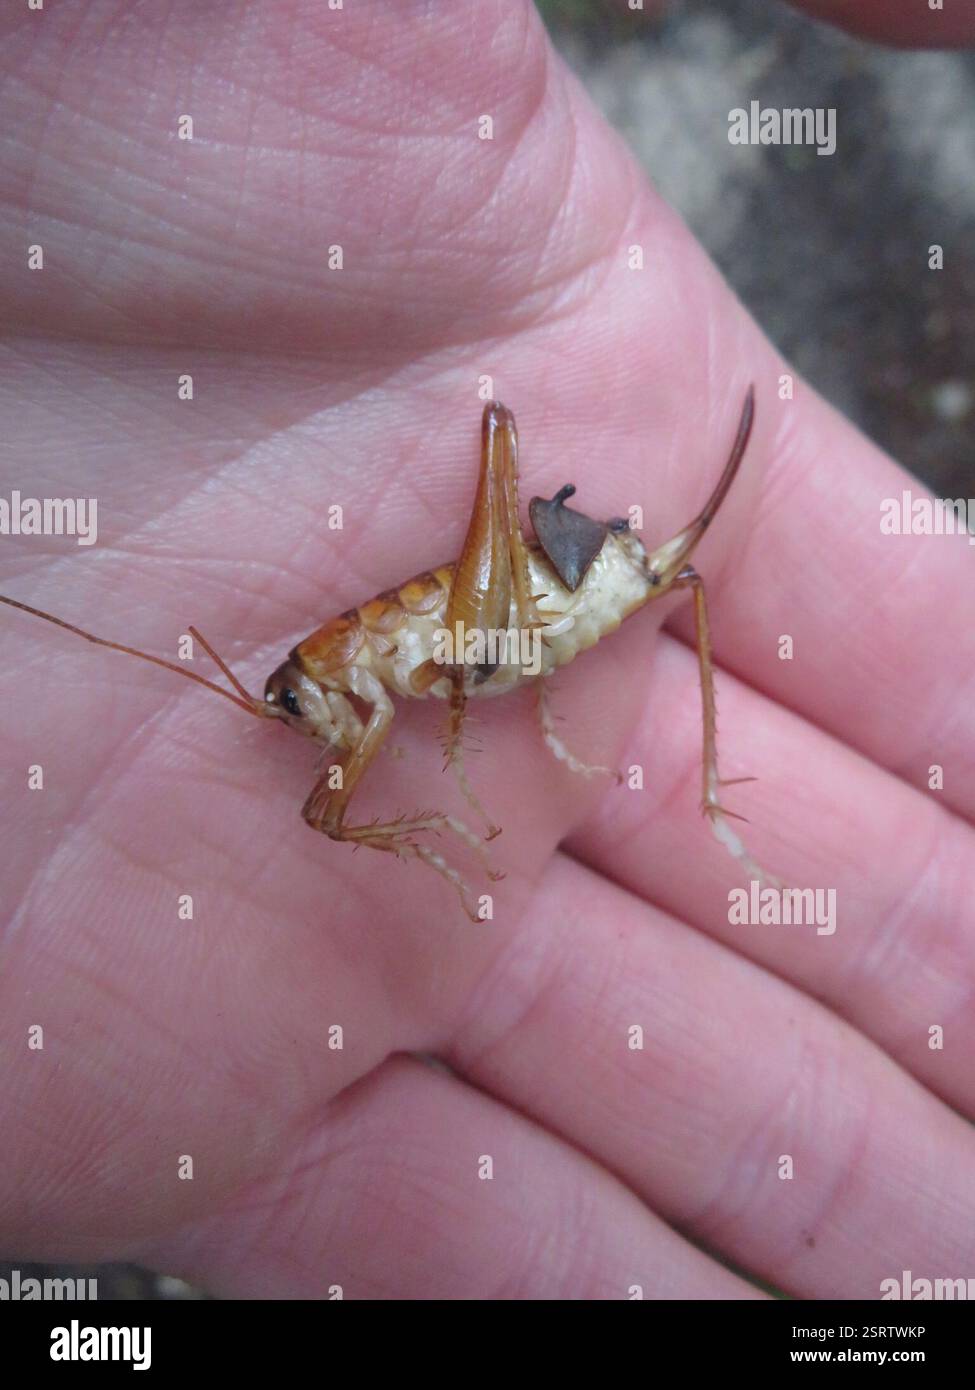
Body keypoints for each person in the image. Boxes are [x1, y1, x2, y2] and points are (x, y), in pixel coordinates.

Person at [1, 0, 972, 1299]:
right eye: (295, 700)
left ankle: (713, 781)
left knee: (550, 588)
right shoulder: (362, 698)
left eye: (297, 694)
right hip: (515, 622)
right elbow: (351, 770)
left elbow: (407, 694)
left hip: (522, 597)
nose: (305, 722)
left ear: (322, 673)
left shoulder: (369, 664)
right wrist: (424, 797)